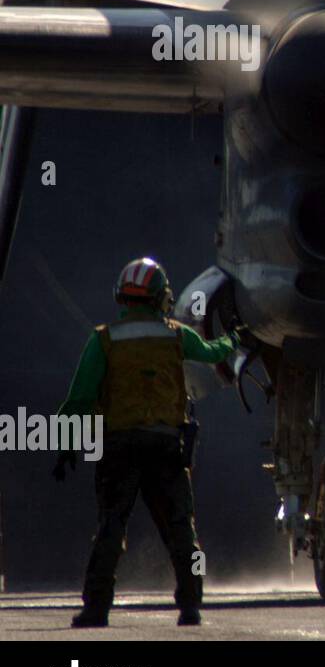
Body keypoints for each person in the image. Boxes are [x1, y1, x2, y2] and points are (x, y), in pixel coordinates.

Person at [54, 257, 241, 628]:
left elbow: (80, 397)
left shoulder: (103, 339)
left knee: (110, 527)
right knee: (181, 530)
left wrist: (66, 442)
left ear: (122, 297)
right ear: (160, 297)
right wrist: (233, 338)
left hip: (119, 447)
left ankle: (96, 608)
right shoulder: (176, 334)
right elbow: (211, 352)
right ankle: (190, 605)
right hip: (166, 447)